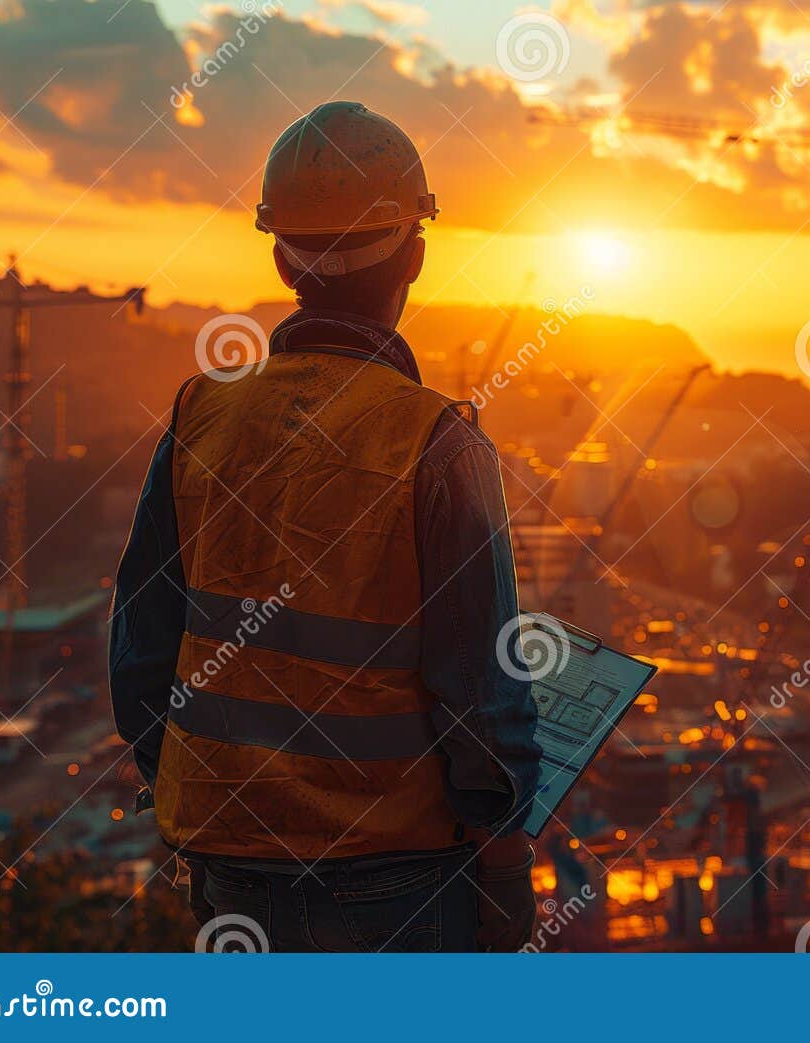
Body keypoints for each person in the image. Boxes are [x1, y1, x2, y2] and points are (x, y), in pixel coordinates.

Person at [109, 100, 542, 952]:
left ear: (280, 254)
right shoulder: (438, 444)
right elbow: (478, 692)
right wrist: (505, 851)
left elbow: (142, 645)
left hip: (228, 865)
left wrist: (196, 789)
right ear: (415, 255)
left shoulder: (203, 416)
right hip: (398, 873)